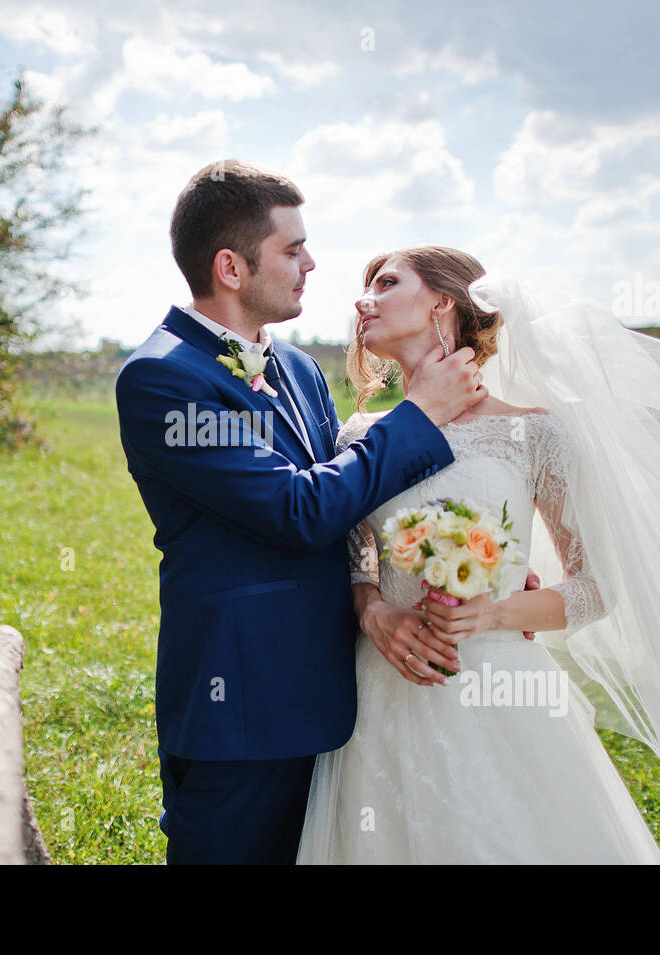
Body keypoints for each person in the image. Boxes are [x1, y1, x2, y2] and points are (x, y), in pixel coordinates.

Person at [295, 246, 660, 864]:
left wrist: (494, 614)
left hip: (501, 693)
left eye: (386, 283)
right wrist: (372, 609)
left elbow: (600, 584)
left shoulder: (533, 432)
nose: (361, 300)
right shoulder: (359, 436)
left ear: (443, 301)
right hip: (381, 686)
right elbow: (353, 555)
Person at [115, 162, 515, 864]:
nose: (313, 263)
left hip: (340, 697)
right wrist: (421, 411)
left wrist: (487, 575)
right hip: (240, 707)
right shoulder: (161, 378)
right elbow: (300, 509)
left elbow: (357, 499)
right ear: (232, 267)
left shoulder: (297, 367)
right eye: (292, 250)